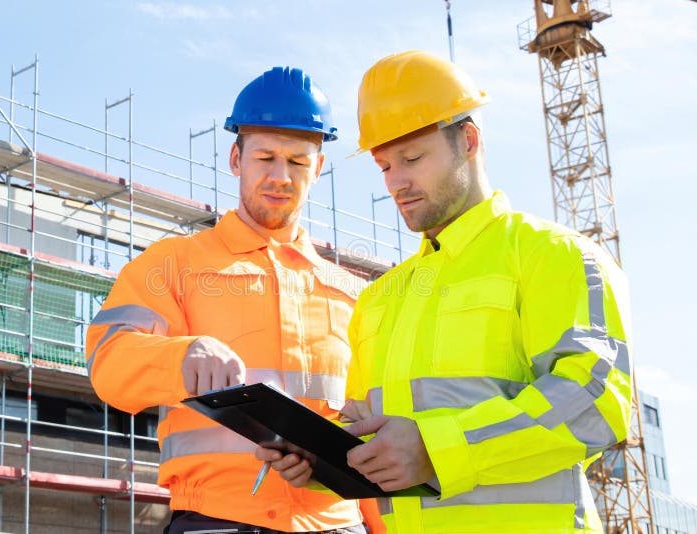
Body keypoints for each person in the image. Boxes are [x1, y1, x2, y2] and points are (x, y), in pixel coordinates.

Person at [257, 50, 632, 533]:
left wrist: (438, 450)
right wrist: (321, 459)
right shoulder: (380, 298)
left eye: (412, 158)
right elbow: (375, 445)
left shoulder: (551, 254)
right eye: (385, 166)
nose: (397, 183)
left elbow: (595, 399)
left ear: (469, 140)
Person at [86, 66, 383, 534]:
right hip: (218, 519)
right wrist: (179, 356)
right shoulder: (174, 264)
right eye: (265, 157)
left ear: (319, 168)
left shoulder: (351, 292)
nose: (280, 176)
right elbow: (108, 365)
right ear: (235, 158)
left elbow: (371, 422)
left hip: (338, 523)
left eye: (298, 162)